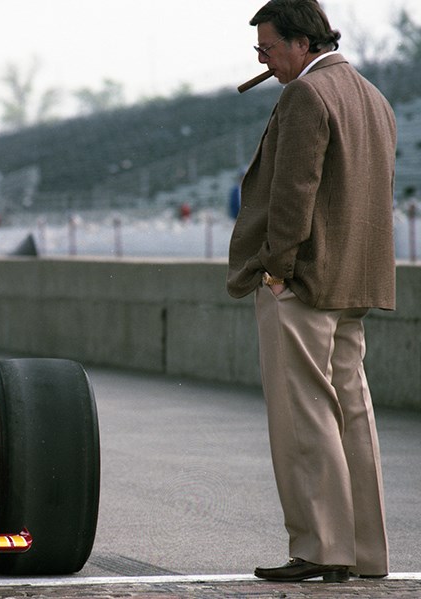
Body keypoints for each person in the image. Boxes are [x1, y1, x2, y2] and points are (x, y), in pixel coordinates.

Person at [227, 0, 396, 583]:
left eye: (269, 48)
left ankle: (322, 549)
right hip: (356, 280)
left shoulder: (305, 95)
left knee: (304, 417)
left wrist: (276, 268)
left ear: (303, 43)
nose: (264, 60)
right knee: (353, 412)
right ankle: (366, 551)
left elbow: (295, 192)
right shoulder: (371, 96)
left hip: (304, 279)